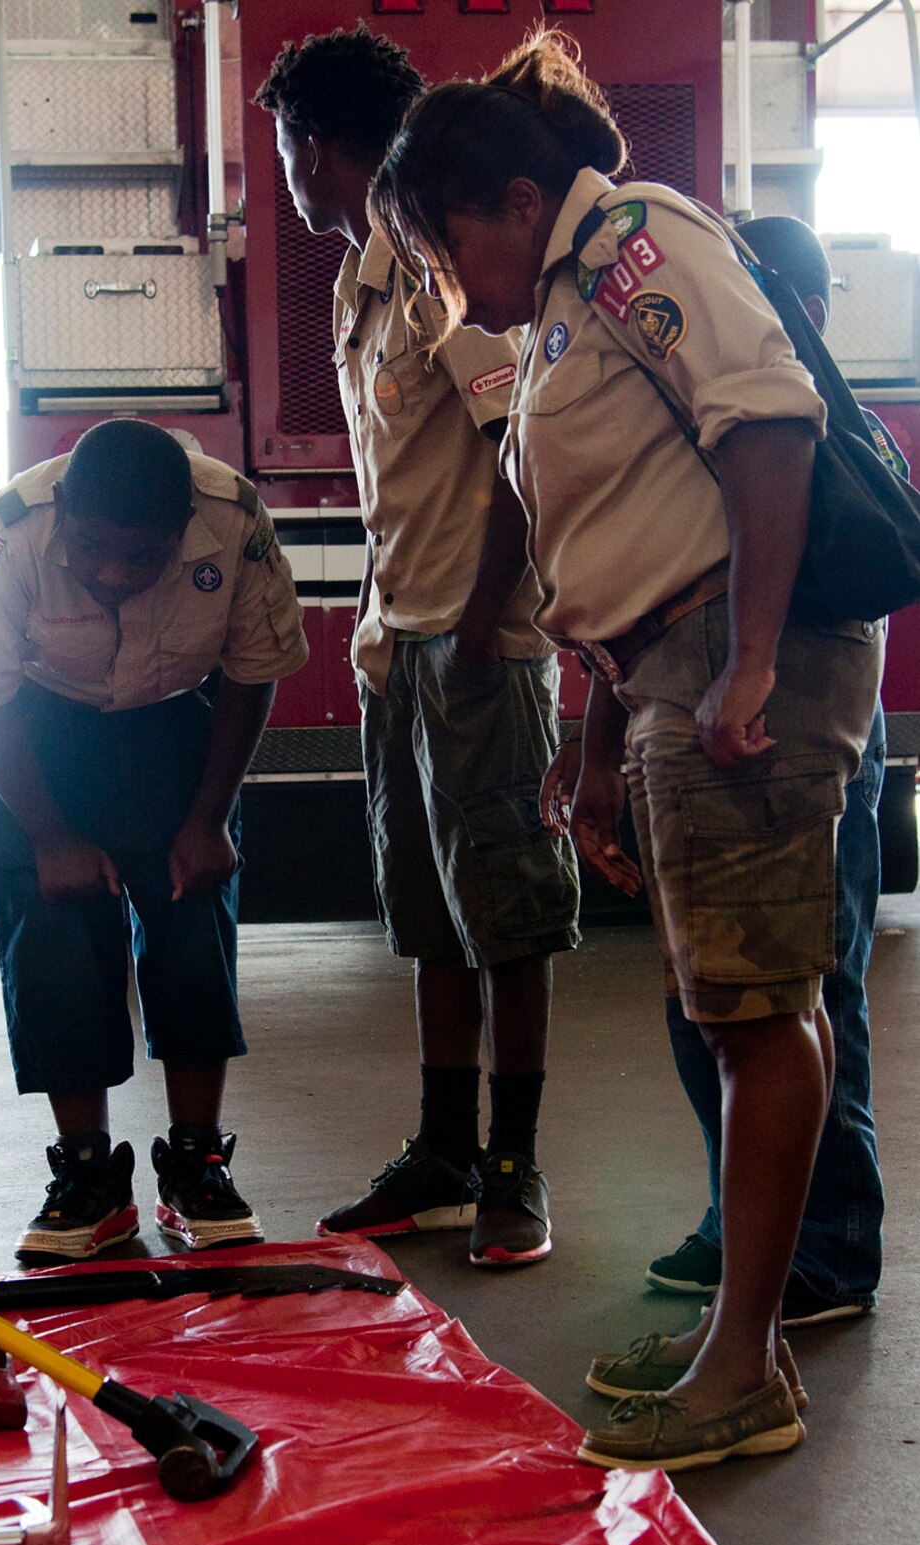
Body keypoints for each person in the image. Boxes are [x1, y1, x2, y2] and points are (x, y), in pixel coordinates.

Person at [371, 30, 884, 1470]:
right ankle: (747, 1326)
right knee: (732, 999)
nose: (438, 276)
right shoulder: (555, 306)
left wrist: (755, 662)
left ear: (518, 200)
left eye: (441, 240)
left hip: (733, 658)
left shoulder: (635, 246)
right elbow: (618, 535)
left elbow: (765, 426)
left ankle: (745, 1368)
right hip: (667, 663)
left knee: (756, 1007)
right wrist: (597, 746)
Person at [255, 27, 579, 1268]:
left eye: (287, 149)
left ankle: (514, 1166)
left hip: (475, 642)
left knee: (508, 914)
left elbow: (522, 450)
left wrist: (495, 630)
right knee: (428, 916)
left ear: (317, 148)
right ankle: (443, 1149)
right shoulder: (357, 283)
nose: (285, 174)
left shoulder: (440, 266)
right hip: (400, 646)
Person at [0, 419, 307, 1261]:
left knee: (191, 927)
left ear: (180, 533)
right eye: (93, 550)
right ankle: (89, 1179)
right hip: (37, 734)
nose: (113, 575)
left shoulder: (234, 519)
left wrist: (208, 820)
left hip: (176, 728)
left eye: (143, 558)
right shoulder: (12, 531)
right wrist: (49, 837)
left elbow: (253, 670)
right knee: (54, 944)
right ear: (63, 513)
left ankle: (196, 1161)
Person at [640, 216, 887, 1326]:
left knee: (806, 986)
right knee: (719, 997)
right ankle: (740, 1218)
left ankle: (825, 1248)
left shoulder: (823, 427)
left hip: (808, 720)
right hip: (718, 713)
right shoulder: (695, 417)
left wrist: (747, 669)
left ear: (812, 307)